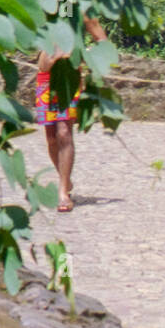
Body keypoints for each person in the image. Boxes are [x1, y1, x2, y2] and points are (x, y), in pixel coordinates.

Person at [36, 14, 109, 211]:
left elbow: (102, 42)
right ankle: (65, 180)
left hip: (67, 78)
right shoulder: (43, 2)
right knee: (51, 137)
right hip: (44, 77)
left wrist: (82, 56)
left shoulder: (74, 7)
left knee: (64, 133)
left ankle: (62, 192)